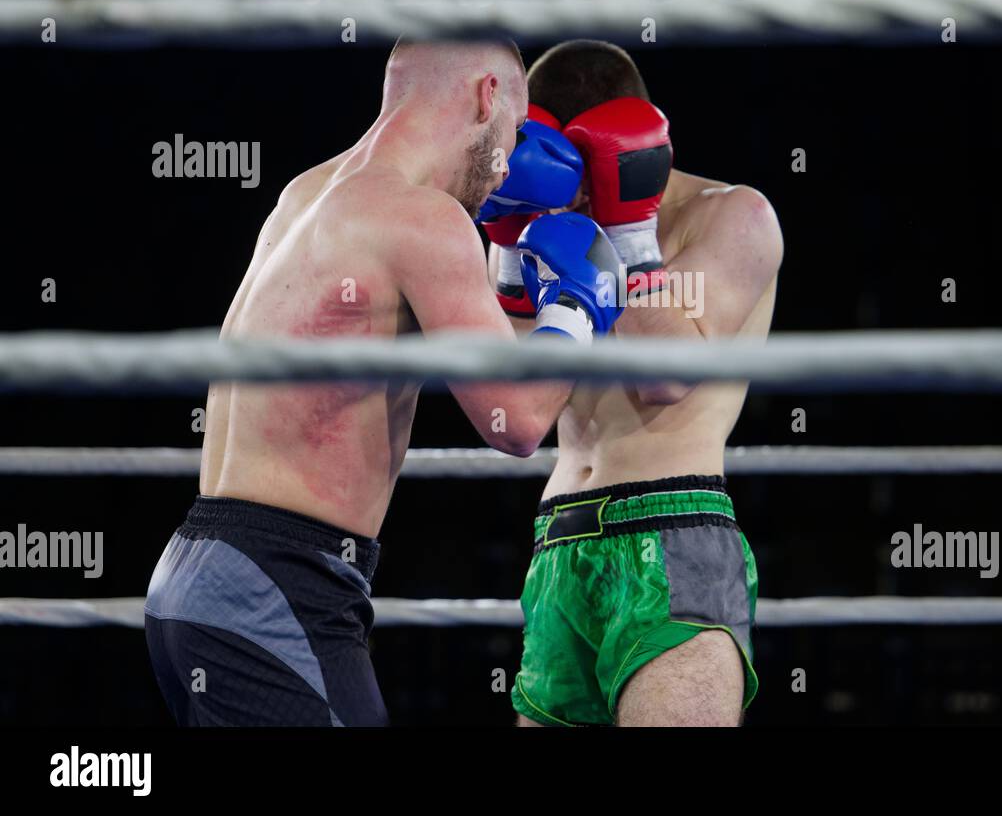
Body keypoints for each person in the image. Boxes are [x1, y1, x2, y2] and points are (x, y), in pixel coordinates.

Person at [144, 39, 621, 726]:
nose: (512, 162)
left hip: (203, 573)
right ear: (488, 95)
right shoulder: (424, 219)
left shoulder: (306, 191)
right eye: (515, 132)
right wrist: (578, 305)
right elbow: (514, 421)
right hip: (277, 585)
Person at [488, 40, 783, 726]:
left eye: (589, 168)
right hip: (559, 539)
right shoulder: (536, 228)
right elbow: (516, 404)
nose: (577, 188)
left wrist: (627, 228)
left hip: (671, 528)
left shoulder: (731, 215)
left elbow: (664, 377)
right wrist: (508, 252)